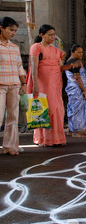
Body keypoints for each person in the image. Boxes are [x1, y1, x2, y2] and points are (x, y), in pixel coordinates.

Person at [27, 24, 72, 147]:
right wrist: (35, 83)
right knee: (43, 108)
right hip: (42, 84)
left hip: (55, 83)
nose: (53, 37)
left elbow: (61, 67)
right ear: (42, 35)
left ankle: (57, 138)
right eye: (50, 35)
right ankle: (44, 139)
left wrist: (72, 63)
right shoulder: (36, 47)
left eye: (54, 35)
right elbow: (34, 67)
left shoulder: (56, 51)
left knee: (57, 109)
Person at [0, 17, 27, 156]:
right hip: (1, 85)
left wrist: (23, 83)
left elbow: (19, 67)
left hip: (14, 85)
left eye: (15, 31)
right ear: (1, 28)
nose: (13, 33)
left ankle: (9, 147)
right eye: (10, 30)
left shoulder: (14, 47)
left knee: (12, 117)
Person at [65, 44, 86, 138]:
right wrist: (84, 90)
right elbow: (77, 77)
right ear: (72, 52)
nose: (81, 54)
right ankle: (75, 131)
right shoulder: (74, 62)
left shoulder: (70, 61)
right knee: (76, 109)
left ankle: (71, 129)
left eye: (82, 52)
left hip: (72, 88)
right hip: (76, 89)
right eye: (79, 52)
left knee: (72, 108)